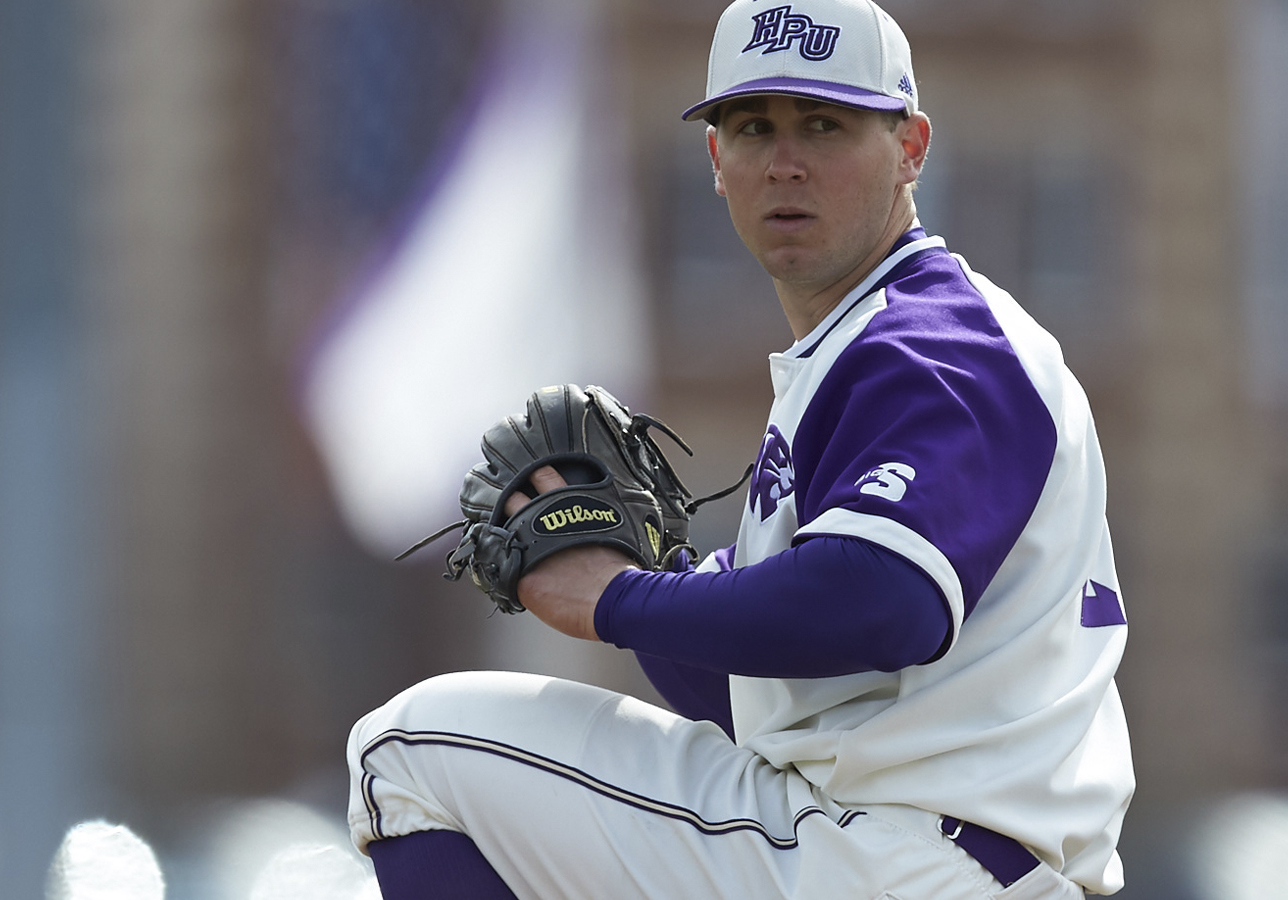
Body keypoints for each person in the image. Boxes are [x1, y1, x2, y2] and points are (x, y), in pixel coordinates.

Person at [346, 0, 1134, 897]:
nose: (785, 162)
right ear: (718, 161)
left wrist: (618, 596)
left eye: (825, 125)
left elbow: (885, 602)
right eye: (753, 126)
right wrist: (660, 572)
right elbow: (756, 693)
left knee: (410, 752)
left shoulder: (936, 347)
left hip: (906, 858)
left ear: (911, 147)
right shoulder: (852, 353)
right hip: (898, 851)